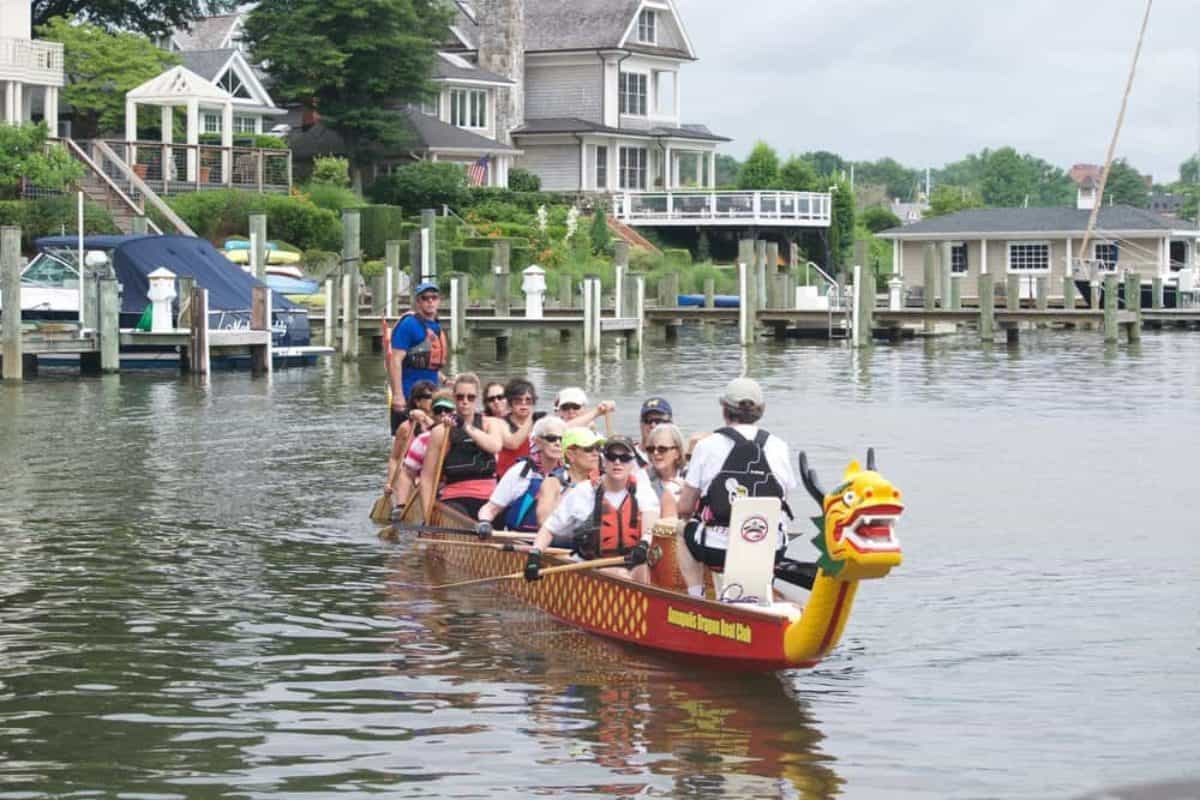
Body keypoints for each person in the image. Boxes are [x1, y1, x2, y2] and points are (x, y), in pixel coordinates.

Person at [676, 377, 799, 598]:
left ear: (725, 409)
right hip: (769, 551)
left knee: (680, 529)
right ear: (761, 410)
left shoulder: (706, 446)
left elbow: (684, 508)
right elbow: (783, 501)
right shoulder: (779, 447)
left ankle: (696, 596)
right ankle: (763, 592)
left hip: (717, 551)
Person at [525, 435, 660, 584]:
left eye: (624, 458)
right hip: (590, 568)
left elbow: (651, 524)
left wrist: (644, 544)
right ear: (603, 460)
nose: (617, 462)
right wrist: (534, 555)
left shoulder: (643, 491)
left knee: (644, 568)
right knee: (619, 574)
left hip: (632, 564)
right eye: (611, 456)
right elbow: (549, 529)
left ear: (632, 462)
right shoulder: (583, 492)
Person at [420, 372, 505, 518]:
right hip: (455, 499)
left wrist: (464, 426)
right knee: (459, 515)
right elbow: (427, 478)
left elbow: (495, 446)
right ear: (454, 397)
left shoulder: (490, 424)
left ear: (477, 398)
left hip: (489, 500)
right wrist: (427, 516)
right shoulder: (441, 431)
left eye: (470, 397)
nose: (465, 402)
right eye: (460, 397)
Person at [477, 416, 568, 534]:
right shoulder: (520, 471)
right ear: (537, 441)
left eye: (562, 439)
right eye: (551, 438)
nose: (557, 443)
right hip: (518, 538)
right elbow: (490, 509)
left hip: (557, 540)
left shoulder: (569, 474)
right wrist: (484, 522)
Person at [389, 281, 448, 435]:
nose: (430, 301)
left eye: (434, 297)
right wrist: (398, 395)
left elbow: (428, 363)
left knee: (432, 437)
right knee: (407, 437)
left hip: (431, 396)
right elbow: (395, 360)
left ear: (439, 300)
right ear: (418, 301)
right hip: (410, 395)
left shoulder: (435, 326)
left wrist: (445, 380)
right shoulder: (408, 324)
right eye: (425, 298)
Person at [393, 390, 456, 512]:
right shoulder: (423, 440)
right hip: (433, 492)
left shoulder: (467, 437)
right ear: (433, 414)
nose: (443, 414)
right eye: (438, 410)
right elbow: (406, 473)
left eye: (447, 410)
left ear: (455, 412)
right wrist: (401, 504)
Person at [534, 426, 603, 526]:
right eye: (588, 449)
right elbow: (543, 521)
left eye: (598, 448)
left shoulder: (600, 483)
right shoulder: (553, 483)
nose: (596, 453)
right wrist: (571, 493)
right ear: (570, 455)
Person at [384, 379, 436, 506]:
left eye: (435, 397)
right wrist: (390, 483)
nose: (433, 400)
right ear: (417, 402)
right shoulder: (405, 428)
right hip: (412, 476)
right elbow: (395, 459)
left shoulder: (440, 424)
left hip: (433, 475)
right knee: (403, 473)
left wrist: (426, 419)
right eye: (429, 397)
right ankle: (401, 506)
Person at [495, 377, 539, 477]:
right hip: (506, 477)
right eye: (518, 400)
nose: (524, 403)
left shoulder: (540, 423)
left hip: (533, 476)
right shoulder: (499, 423)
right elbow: (513, 444)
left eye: (528, 400)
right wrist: (531, 419)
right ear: (510, 403)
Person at [644, 422, 686, 509]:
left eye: (662, 449)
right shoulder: (643, 478)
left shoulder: (690, 479)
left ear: (677, 453)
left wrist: (688, 495)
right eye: (651, 449)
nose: (655, 453)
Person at [636, 397, 673, 467]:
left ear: (670, 424)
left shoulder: (678, 458)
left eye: (658, 421)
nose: (653, 425)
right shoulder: (627, 454)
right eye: (647, 420)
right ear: (640, 424)